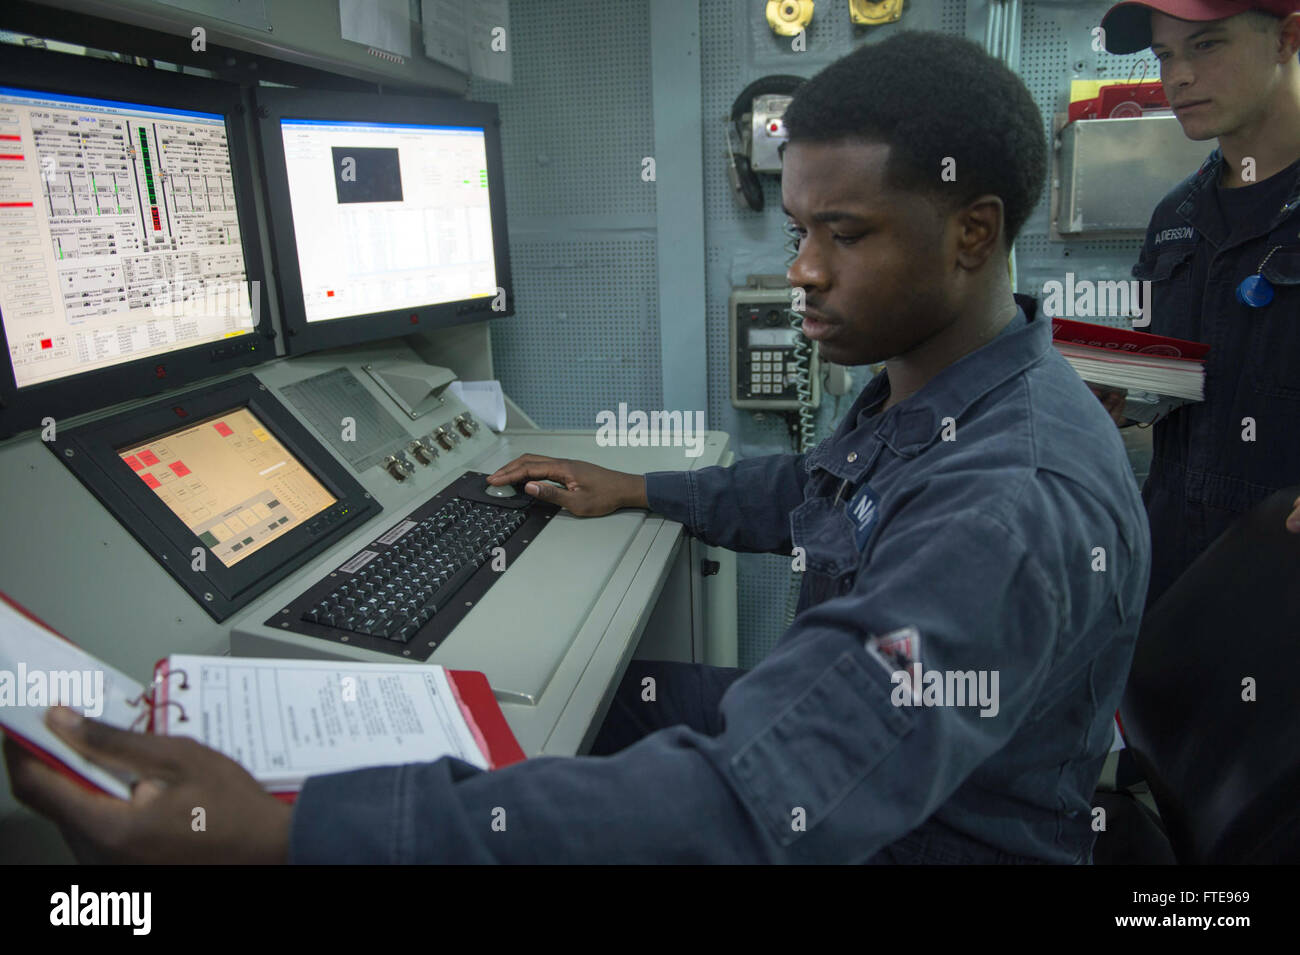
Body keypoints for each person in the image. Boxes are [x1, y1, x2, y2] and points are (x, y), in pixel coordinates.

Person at [4, 31, 1149, 864]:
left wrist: (292, 837)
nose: (801, 268)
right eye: (799, 229)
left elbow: (757, 807)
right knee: (590, 712)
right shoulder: (951, 383)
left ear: (972, 230)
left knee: (523, 778)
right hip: (901, 781)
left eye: (841, 235)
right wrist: (641, 488)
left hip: (922, 840)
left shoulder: (1006, 505)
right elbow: (812, 492)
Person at [1097, 0, 1300, 605]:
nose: (1177, 75)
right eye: (1165, 55)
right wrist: (1115, 395)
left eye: (1206, 45)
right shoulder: (1174, 217)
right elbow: (1161, 388)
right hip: (1171, 582)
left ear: (1286, 39)